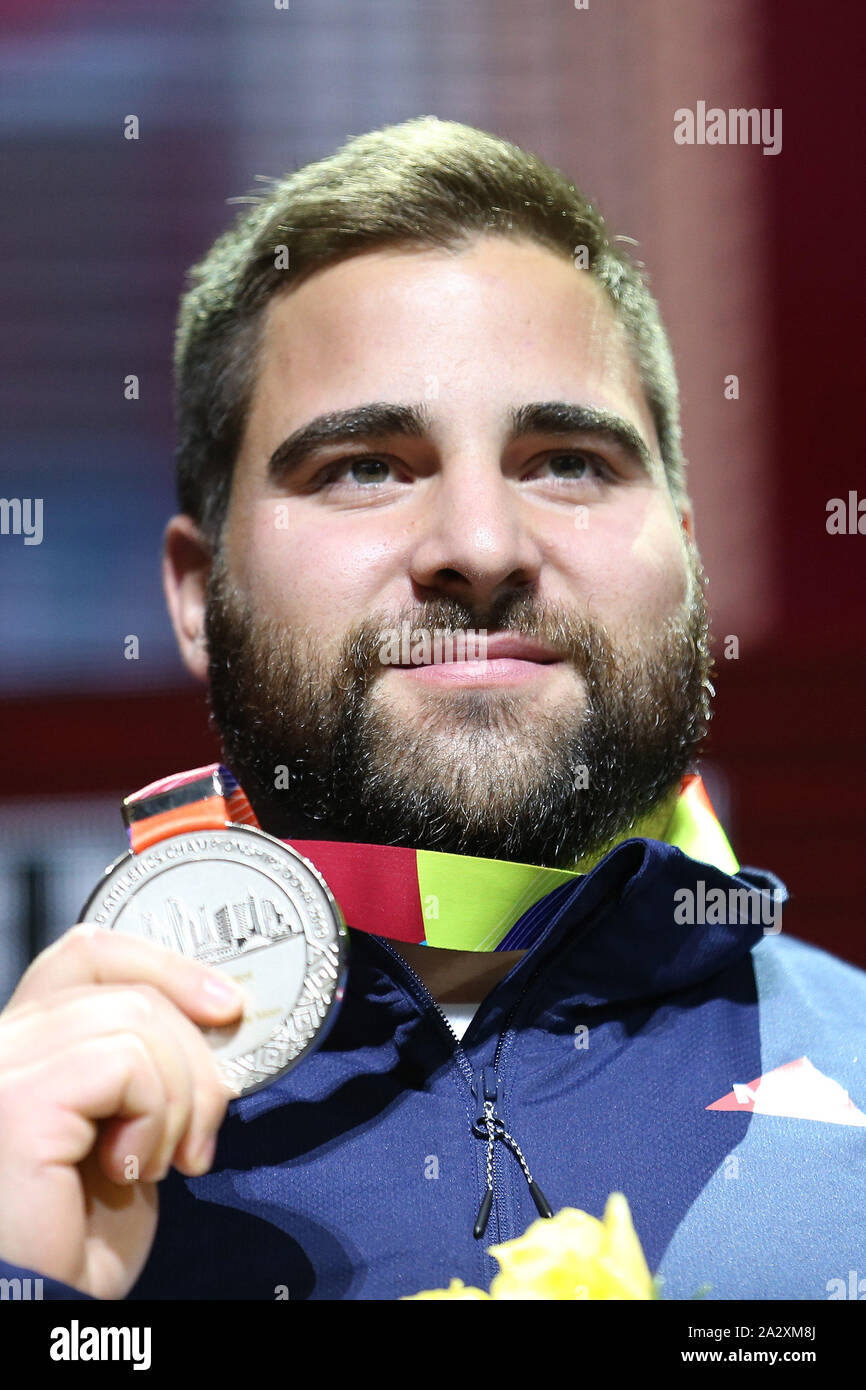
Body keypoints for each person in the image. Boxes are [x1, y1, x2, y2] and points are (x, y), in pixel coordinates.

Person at [1, 116, 863, 1302]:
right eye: (361, 466)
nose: (478, 546)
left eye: (567, 459)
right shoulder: (36, 1147)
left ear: (687, 551)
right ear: (198, 599)